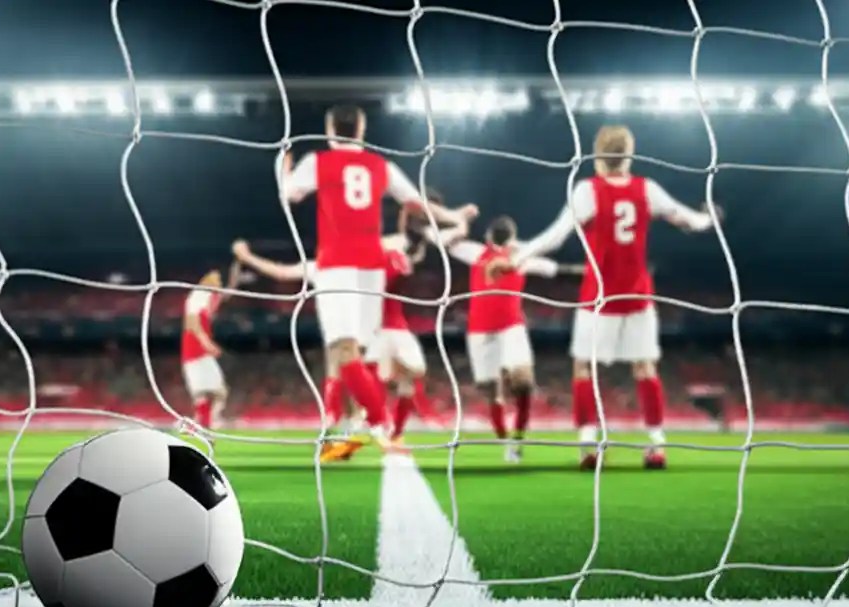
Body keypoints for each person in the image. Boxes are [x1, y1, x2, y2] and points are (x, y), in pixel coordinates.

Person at [488, 125, 720, 470]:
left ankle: (588, 446)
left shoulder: (588, 191)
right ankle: (657, 445)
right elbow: (691, 221)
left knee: (584, 367)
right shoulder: (647, 189)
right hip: (638, 297)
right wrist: (709, 217)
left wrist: (516, 259)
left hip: (599, 299)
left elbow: (554, 237)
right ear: (630, 155)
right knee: (645, 367)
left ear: (597, 156)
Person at [281, 104, 476, 451]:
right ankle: (362, 425)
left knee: (343, 352)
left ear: (329, 129)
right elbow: (416, 204)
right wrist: (452, 215)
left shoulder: (318, 162)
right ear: (361, 129)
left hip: (336, 264)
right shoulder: (380, 166)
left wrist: (284, 167)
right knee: (358, 353)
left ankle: (376, 425)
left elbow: (290, 194)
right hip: (371, 267)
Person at [429, 215, 580, 463]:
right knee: (490, 389)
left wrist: (590, 272)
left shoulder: (521, 258)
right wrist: (457, 228)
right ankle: (504, 438)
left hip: (511, 327)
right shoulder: (475, 252)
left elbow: (555, 270)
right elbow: (441, 241)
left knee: (523, 384)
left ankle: (517, 439)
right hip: (480, 331)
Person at [180, 263, 242, 430]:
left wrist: (236, 270)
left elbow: (229, 292)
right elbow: (191, 321)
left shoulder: (211, 296)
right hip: (194, 348)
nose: (218, 281)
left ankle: (206, 421)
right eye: (215, 278)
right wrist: (205, 342)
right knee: (206, 392)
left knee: (216, 391)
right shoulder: (197, 296)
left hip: (200, 350)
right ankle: (203, 422)